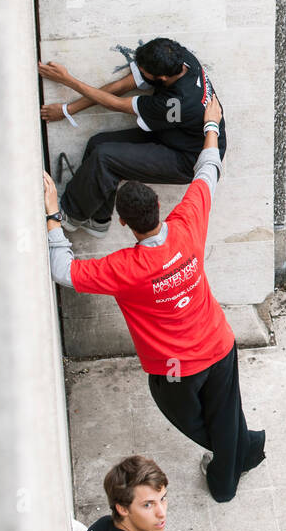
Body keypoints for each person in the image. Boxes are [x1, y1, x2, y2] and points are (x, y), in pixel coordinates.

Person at [44, 93, 265, 504]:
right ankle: (242, 452)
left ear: (123, 221)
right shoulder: (186, 226)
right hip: (220, 344)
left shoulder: (122, 269)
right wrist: (212, 125)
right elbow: (208, 171)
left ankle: (231, 468)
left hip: (175, 371)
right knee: (225, 413)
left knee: (198, 420)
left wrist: (53, 216)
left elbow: (62, 271)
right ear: (160, 207)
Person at [39, 37, 226, 236]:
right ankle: (98, 220)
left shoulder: (176, 103)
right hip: (177, 133)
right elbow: (122, 85)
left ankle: (70, 215)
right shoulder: (180, 59)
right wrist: (69, 109)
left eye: (143, 71)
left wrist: (68, 80)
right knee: (99, 144)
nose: (138, 71)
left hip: (190, 158)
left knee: (105, 157)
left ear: (160, 78)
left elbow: (116, 104)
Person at [78, 455, 168, 531]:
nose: (162, 513)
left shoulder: (102, 525)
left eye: (162, 498)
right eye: (147, 505)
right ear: (123, 509)